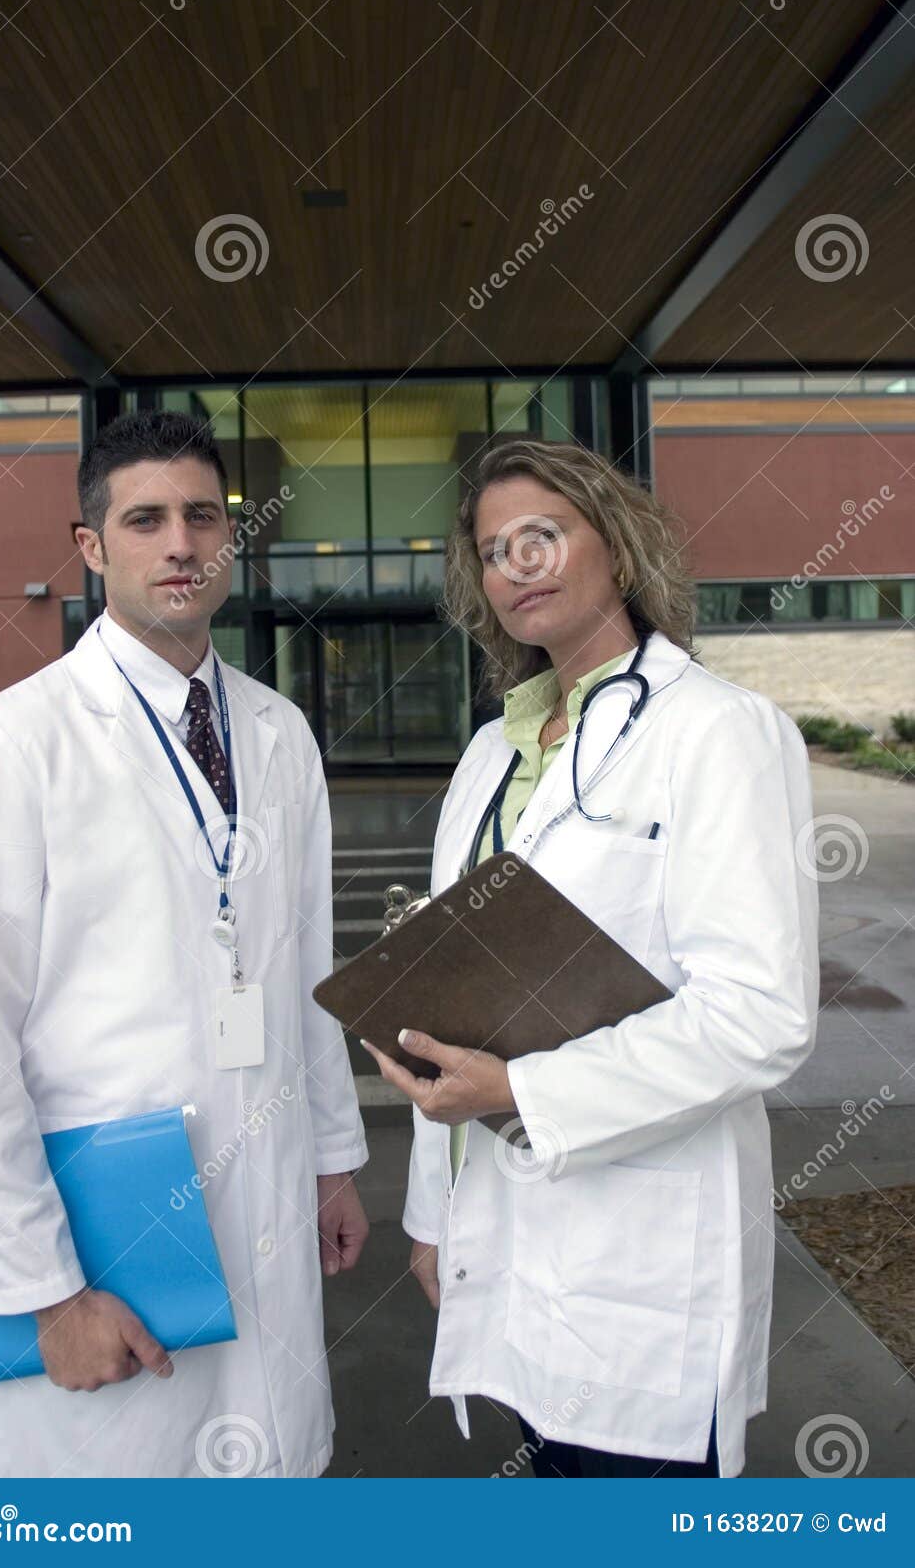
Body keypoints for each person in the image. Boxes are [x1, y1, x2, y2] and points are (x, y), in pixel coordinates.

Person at [0, 411, 368, 1478]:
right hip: (105, 1245)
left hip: (265, 1194)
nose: (180, 544)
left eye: (203, 516)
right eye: (145, 518)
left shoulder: (275, 732)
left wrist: (334, 1161)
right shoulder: (11, 741)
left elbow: (306, 970)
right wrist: (44, 1292)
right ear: (90, 545)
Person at [364, 438, 818, 1479]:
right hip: (503, 1236)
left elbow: (758, 1012)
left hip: (643, 1256)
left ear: (615, 546)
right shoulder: (492, 752)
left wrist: (523, 1087)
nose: (514, 563)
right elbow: (456, 989)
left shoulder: (717, 731)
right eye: (491, 549)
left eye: (542, 535)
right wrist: (435, 1219)